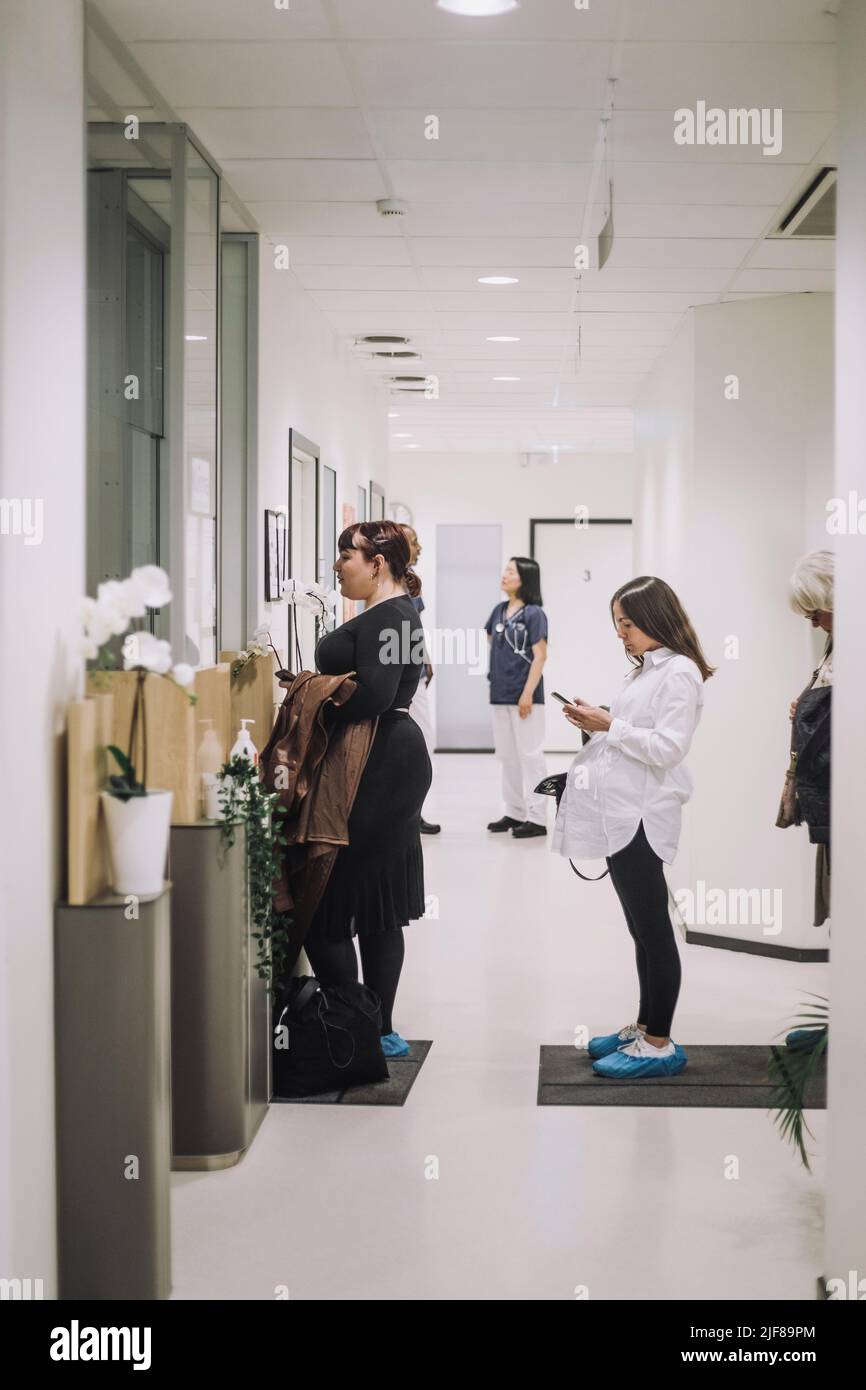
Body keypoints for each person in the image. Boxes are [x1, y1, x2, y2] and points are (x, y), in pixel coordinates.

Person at [553, 575, 714, 1079]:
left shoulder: (680, 674)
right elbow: (632, 733)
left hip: (645, 816)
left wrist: (610, 725)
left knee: (653, 929)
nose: (621, 634)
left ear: (655, 619)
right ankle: (645, 1026)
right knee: (639, 928)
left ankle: (660, 1043)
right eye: (617, 624)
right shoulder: (647, 671)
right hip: (623, 814)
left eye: (627, 624)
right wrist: (598, 719)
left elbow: (667, 748)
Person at [298, 521, 432, 1058]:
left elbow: (373, 696)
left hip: (378, 763)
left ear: (377, 563)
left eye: (345, 555)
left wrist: (310, 693)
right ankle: (376, 1028)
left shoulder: (389, 617)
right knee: (378, 904)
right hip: (391, 757)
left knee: (326, 896)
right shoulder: (400, 614)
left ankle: (357, 1024)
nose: (337, 565)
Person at [782, 549, 833, 1053]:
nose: (811, 620)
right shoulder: (835, 647)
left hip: (845, 808)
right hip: (830, 808)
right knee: (840, 913)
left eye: (815, 609)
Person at [484, 556, 549, 839]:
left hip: (526, 697)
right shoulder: (499, 610)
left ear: (525, 578)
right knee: (507, 756)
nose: (505, 575)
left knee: (530, 756)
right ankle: (514, 811)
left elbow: (541, 656)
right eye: (506, 570)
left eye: (511, 571)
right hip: (500, 693)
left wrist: (527, 693)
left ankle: (537, 818)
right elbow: (491, 641)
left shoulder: (534, 614)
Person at [400, 524, 440, 834]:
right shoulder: (391, 582)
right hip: (400, 670)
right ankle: (408, 813)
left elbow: (416, 625)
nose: (418, 547)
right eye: (412, 542)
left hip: (414, 667)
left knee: (424, 740)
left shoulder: (411, 580)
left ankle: (414, 811)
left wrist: (425, 657)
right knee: (419, 741)